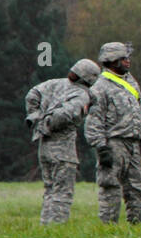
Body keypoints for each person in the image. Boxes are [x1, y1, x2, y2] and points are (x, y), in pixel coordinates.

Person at [25, 59, 100, 225]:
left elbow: (32, 94)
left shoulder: (54, 84)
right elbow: (66, 115)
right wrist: (48, 123)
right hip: (63, 147)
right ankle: (56, 227)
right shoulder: (82, 94)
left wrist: (36, 117)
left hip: (43, 145)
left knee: (50, 189)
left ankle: (45, 225)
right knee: (63, 191)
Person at [84, 42, 141, 224]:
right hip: (113, 144)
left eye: (127, 57)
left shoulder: (131, 82)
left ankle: (137, 226)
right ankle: (108, 227)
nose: (128, 61)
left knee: (137, 188)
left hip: (134, 143)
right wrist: (100, 147)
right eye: (123, 58)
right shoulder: (100, 87)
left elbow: (140, 111)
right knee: (110, 186)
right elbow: (94, 121)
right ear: (111, 61)